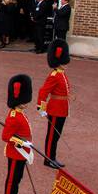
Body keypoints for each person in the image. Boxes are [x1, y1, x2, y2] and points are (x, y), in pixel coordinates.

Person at [1, 74, 33, 194]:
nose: (26, 102)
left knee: (18, 178)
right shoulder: (14, 116)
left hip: (23, 152)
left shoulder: (20, 113)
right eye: (23, 100)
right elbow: (6, 136)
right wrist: (21, 142)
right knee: (12, 179)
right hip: (15, 152)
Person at [37, 39, 72, 169]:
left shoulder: (61, 74)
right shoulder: (54, 75)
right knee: (52, 136)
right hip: (55, 109)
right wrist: (41, 107)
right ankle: (48, 159)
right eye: (64, 61)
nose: (66, 64)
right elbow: (43, 92)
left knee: (56, 135)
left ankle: (52, 157)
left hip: (62, 108)